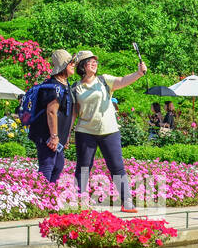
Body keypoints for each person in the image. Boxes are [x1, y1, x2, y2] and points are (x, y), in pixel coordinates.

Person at [71, 50, 147, 212]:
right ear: (82, 66)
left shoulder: (104, 80)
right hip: (85, 132)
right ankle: (79, 202)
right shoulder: (76, 88)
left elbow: (122, 80)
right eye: (89, 61)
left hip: (109, 131)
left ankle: (127, 202)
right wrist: (66, 133)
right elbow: (74, 113)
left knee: (117, 167)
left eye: (95, 61)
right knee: (83, 167)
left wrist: (138, 73)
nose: (94, 63)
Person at [27, 49, 74, 184]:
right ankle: (42, 197)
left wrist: (65, 137)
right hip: (47, 135)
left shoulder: (64, 85)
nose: (73, 65)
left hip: (57, 137)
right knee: (47, 165)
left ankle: (48, 195)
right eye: (70, 62)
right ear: (63, 66)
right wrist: (54, 136)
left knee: (58, 166)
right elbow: (51, 112)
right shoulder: (54, 86)